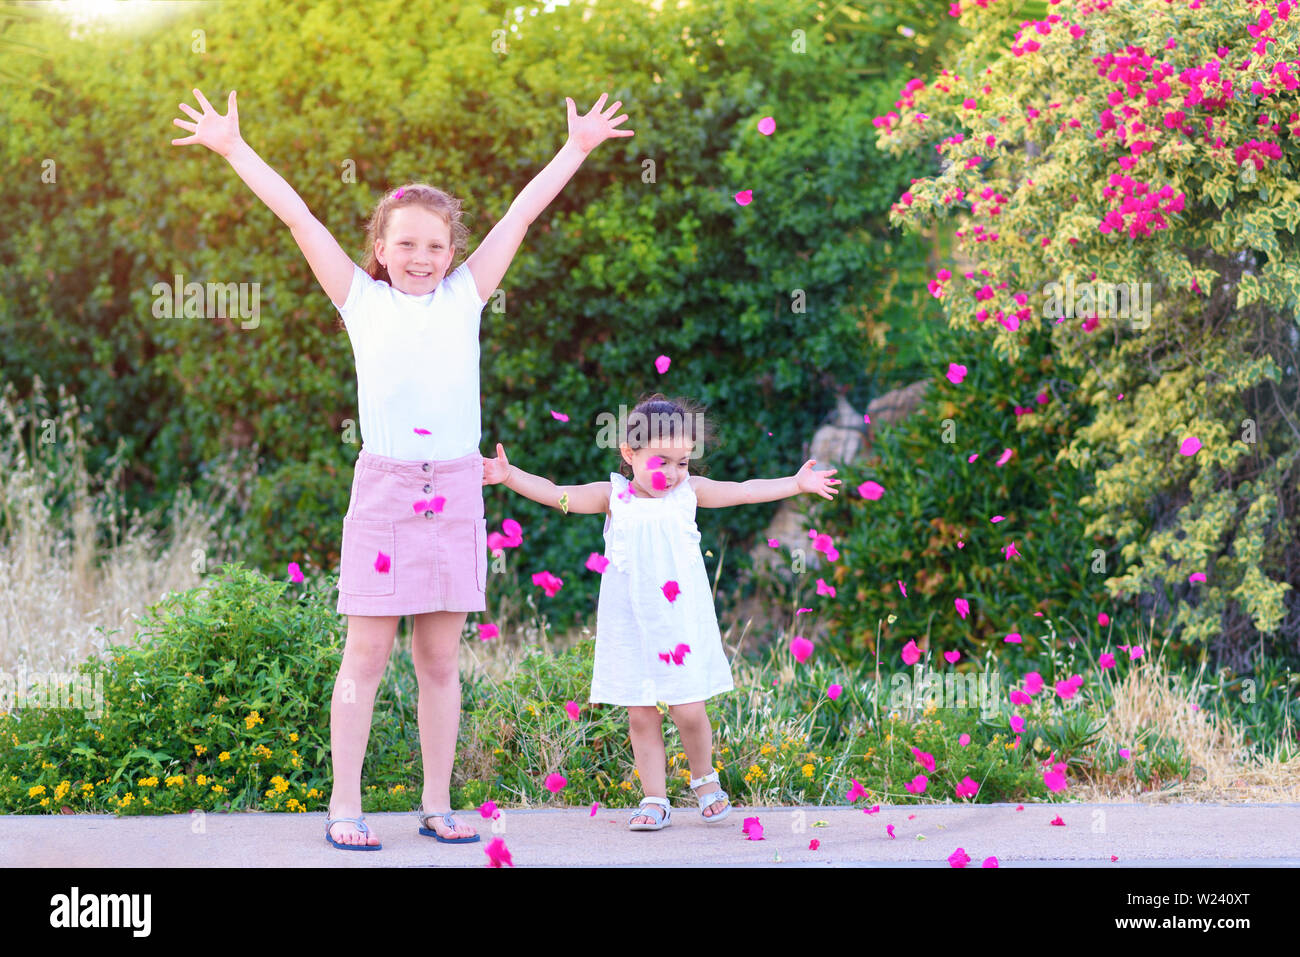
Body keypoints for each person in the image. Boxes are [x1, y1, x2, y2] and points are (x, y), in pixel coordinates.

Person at [170, 87, 634, 849]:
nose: (422, 258)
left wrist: (577, 148)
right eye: (406, 244)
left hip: (454, 489)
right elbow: (299, 217)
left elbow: (520, 215)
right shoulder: (360, 300)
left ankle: (436, 801)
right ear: (380, 248)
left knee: (440, 658)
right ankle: (344, 805)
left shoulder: (466, 298)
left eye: (436, 245)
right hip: (386, 491)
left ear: (453, 251)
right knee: (367, 652)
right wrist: (232, 148)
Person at [483, 393, 840, 829]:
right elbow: (559, 496)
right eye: (662, 461)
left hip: (680, 623)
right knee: (640, 713)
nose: (673, 473)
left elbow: (745, 491)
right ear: (629, 454)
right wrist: (509, 475)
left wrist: (795, 483)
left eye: (683, 462)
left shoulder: (689, 494)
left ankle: (704, 778)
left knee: (688, 708)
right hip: (629, 623)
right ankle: (654, 798)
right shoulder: (613, 496)